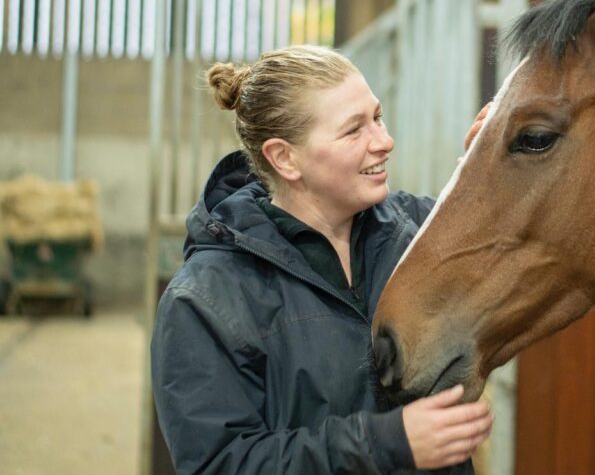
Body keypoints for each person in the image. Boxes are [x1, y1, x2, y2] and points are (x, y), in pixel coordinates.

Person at [151, 45, 492, 474]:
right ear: (285, 158)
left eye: (378, 117)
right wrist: (385, 445)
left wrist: (490, 165)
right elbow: (220, 464)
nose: (384, 142)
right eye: (354, 131)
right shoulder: (206, 300)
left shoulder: (418, 231)